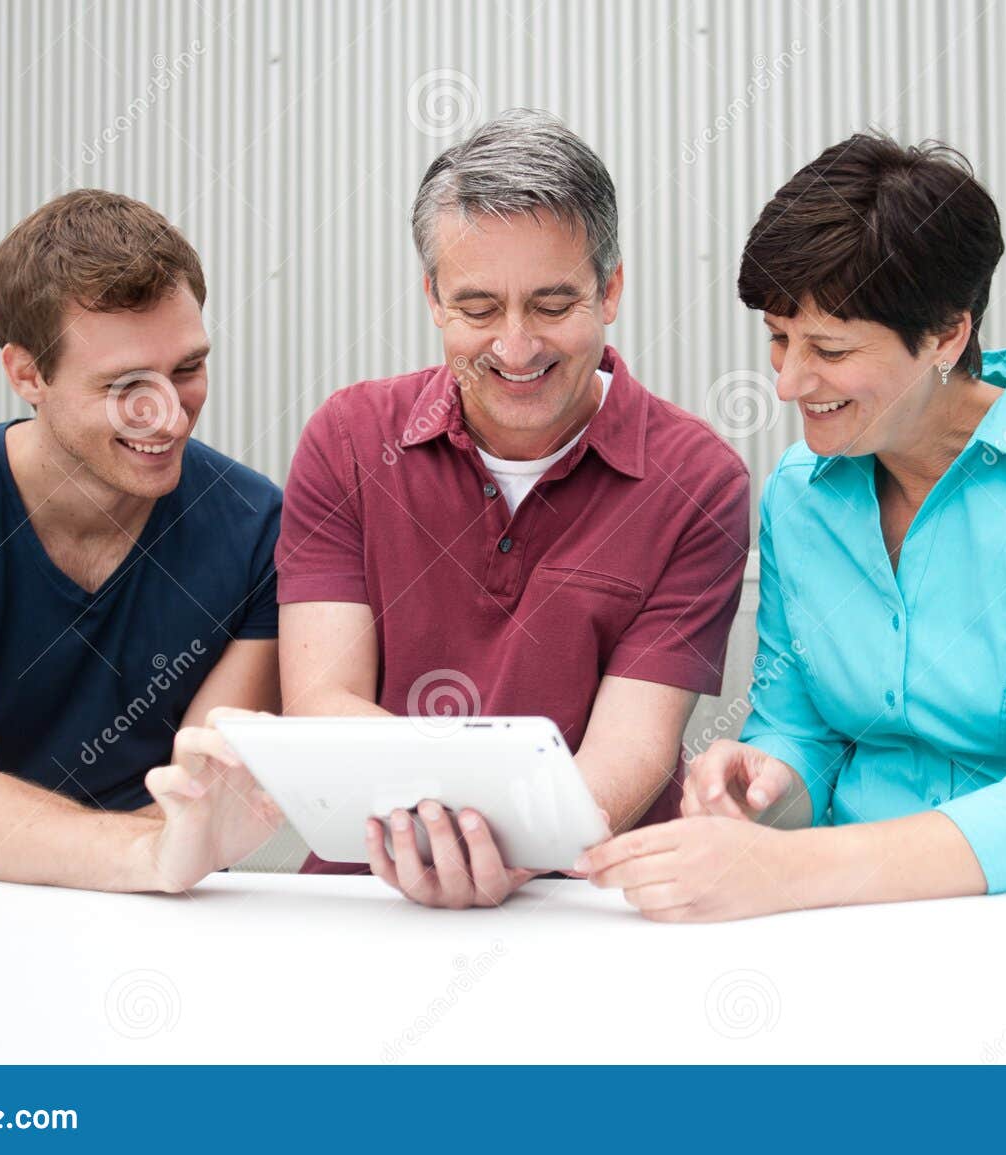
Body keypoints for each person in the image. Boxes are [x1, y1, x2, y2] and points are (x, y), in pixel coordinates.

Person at [582, 133, 1006, 920]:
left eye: (828, 348)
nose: (790, 381)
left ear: (945, 336)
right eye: (777, 338)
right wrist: (764, 785)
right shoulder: (802, 493)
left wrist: (786, 869)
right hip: (857, 923)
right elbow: (803, 733)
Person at [277, 109, 751, 908]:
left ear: (612, 288)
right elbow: (323, 705)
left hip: (589, 903)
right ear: (432, 298)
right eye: (479, 308)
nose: (517, 346)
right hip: (370, 896)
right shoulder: (349, 440)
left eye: (553, 304)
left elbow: (628, 752)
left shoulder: (698, 481)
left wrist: (504, 845)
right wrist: (457, 833)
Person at [0, 190, 285, 892]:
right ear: (26, 373)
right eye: (123, 382)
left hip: (162, 902)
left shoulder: (259, 528)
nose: (166, 412)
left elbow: (203, 793)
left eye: (187, 368)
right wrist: (154, 853)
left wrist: (168, 855)